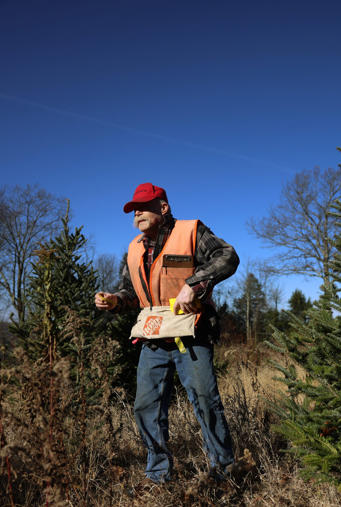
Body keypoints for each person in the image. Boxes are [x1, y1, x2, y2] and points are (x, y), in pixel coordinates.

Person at [94, 182, 239, 487]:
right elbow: (131, 292)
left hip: (192, 333)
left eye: (143, 207)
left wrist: (195, 284)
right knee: (145, 407)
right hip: (153, 337)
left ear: (163, 207)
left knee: (205, 401)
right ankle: (158, 476)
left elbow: (227, 256)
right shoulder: (134, 249)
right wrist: (115, 300)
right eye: (133, 210)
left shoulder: (191, 232)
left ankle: (224, 474)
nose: (137, 214)